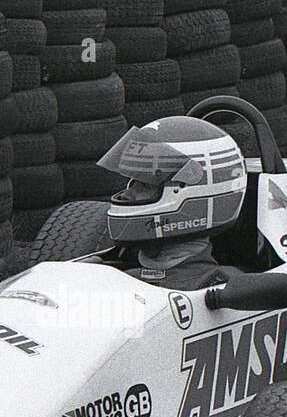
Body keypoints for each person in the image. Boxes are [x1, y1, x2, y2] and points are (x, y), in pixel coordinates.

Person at [96, 117, 248, 290]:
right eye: (133, 182)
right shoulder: (114, 275)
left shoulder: (226, 286)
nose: (127, 195)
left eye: (144, 185)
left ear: (190, 193)